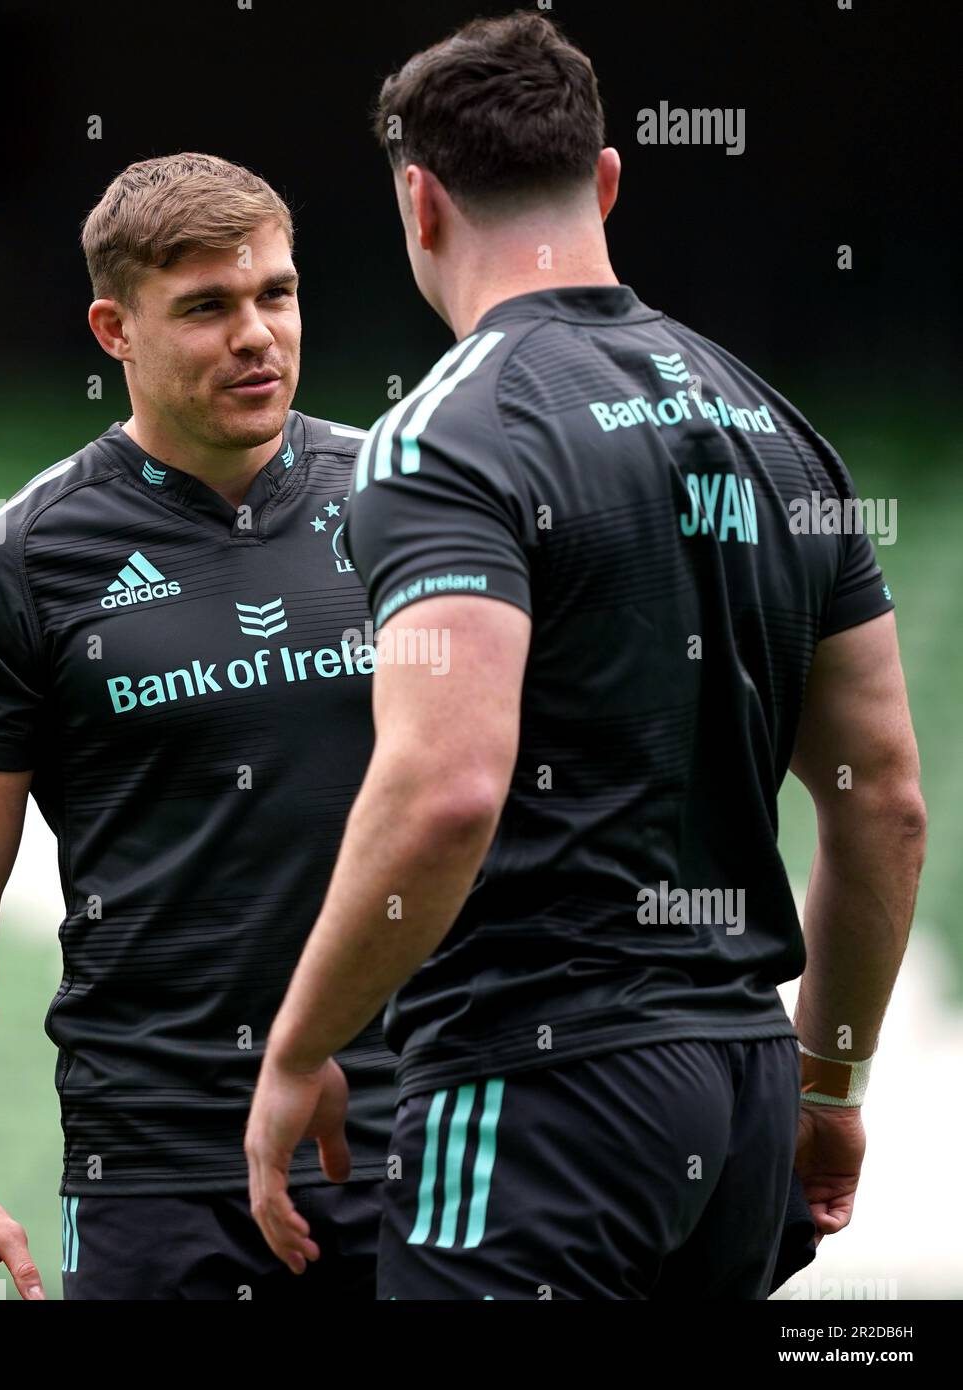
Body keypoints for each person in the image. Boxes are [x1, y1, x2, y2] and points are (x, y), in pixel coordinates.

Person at [245, 14, 926, 1299]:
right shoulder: (776, 428)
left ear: (419, 199)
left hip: (540, 1095)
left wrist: (296, 1048)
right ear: (605, 179)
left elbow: (445, 791)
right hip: (740, 1102)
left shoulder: (446, 436)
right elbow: (881, 800)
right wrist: (828, 1078)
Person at [0, 152, 395, 1301]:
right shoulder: (21, 561)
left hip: (413, 1137)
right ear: (113, 329)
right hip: (156, 1168)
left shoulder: (410, 503)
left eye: (275, 293)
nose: (256, 334)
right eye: (207, 307)